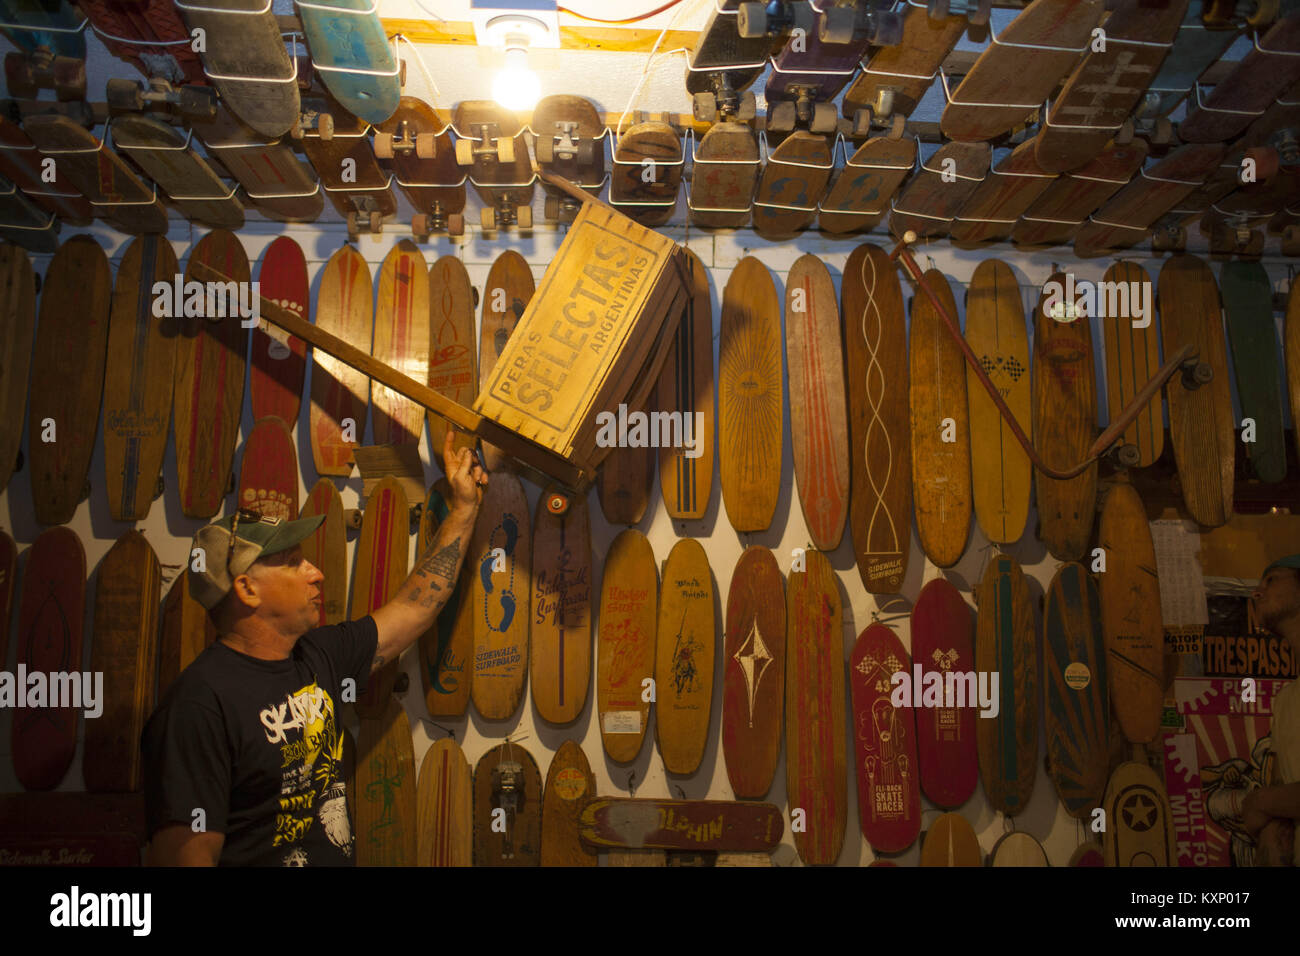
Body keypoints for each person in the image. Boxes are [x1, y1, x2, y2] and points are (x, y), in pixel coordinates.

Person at [141, 432, 487, 866]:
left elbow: (416, 607)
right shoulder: (196, 708)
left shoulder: (319, 656)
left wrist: (464, 508)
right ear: (246, 589)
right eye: (292, 562)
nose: (317, 573)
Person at [1241, 554, 1300, 865]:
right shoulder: (1286, 699)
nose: (1257, 591)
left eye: (1272, 579)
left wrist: (1261, 802)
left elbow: (1271, 802)